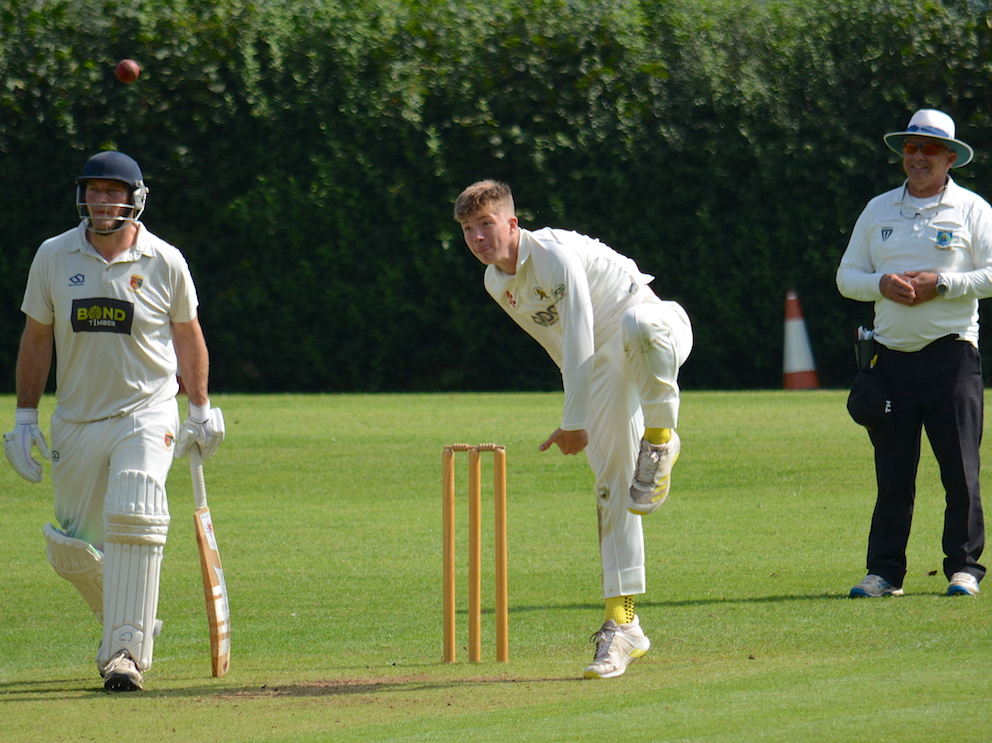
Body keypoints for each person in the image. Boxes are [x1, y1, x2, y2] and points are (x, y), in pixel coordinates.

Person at [3, 151, 225, 691]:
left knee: (135, 503)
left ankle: (125, 653)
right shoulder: (54, 255)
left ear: (135, 198)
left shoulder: (164, 259)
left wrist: (198, 407)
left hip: (146, 410)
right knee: (69, 548)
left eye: (113, 191)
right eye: (94, 190)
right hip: (77, 418)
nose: (102, 201)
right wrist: (25, 415)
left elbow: (187, 334)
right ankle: (134, 617)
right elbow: (37, 338)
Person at [454, 180, 693, 678]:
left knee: (640, 329)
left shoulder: (554, 255)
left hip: (652, 325)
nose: (478, 237)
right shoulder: (497, 284)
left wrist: (575, 420)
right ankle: (623, 624)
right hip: (599, 363)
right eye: (469, 230)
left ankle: (661, 439)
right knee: (611, 486)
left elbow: (581, 323)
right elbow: (560, 345)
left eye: (487, 225)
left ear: (512, 224)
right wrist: (581, 419)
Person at [837, 109, 992, 599]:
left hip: (952, 357)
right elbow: (846, 277)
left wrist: (942, 283)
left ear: (950, 157)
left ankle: (964, 567)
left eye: (928, 149)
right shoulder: (878, 209)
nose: (917, 156)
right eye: (910, 147)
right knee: (893, 473)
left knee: (960, 470)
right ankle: (884, 573)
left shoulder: (972, 209)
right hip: (891, 359)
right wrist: (880, 283)